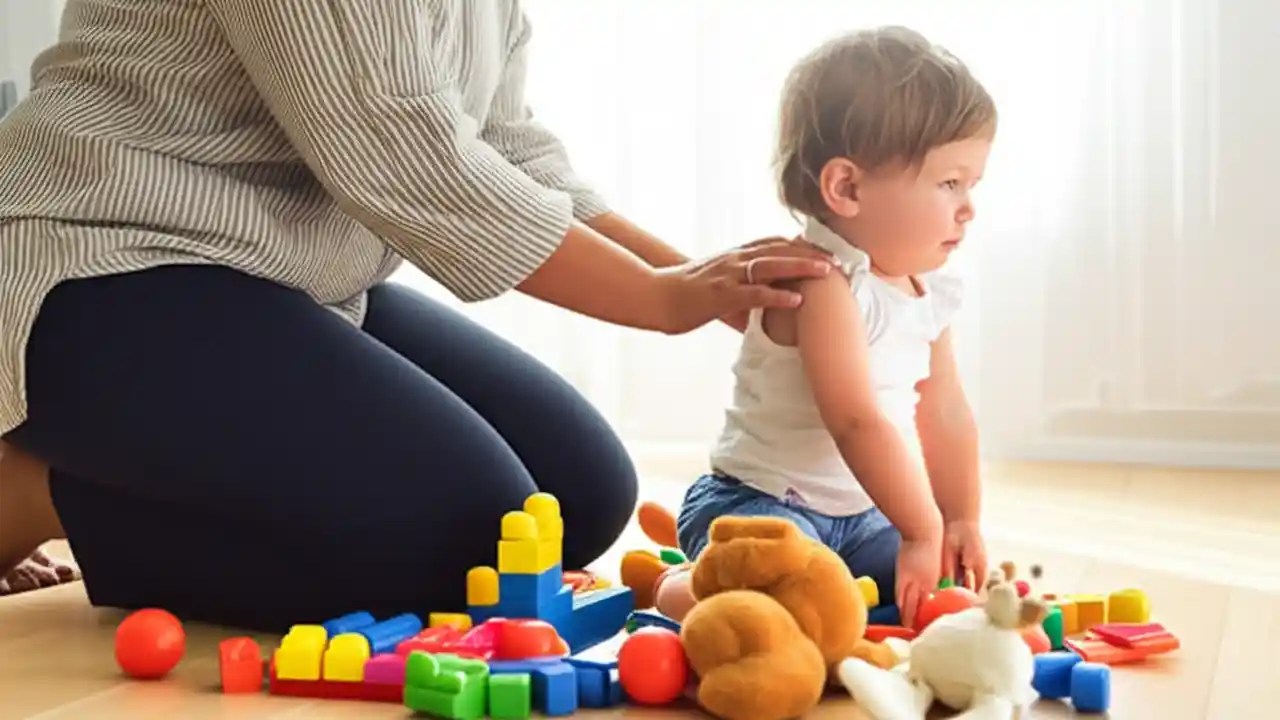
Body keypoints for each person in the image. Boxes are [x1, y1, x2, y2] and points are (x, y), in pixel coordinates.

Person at [0, 1, 839, 628]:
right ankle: (40, 491)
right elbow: (404, 152)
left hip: (288, 278)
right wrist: (660, 301)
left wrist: (707, 282)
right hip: (98, 263)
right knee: (463, 542)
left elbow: (505, 144)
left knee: (577, 495)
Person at [651, 26, 995, 629]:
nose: (968, 207)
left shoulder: (928, 286)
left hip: (864, 516)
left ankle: (805, 592)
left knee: (931, 601)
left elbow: (944, 407)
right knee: (785, 603)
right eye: (948, 183)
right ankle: (679, 586)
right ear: (847, 187)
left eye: (972, 185)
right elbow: (854, 419)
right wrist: (920, 527)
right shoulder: (822, 282)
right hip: (760, 506)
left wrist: (957, 515)